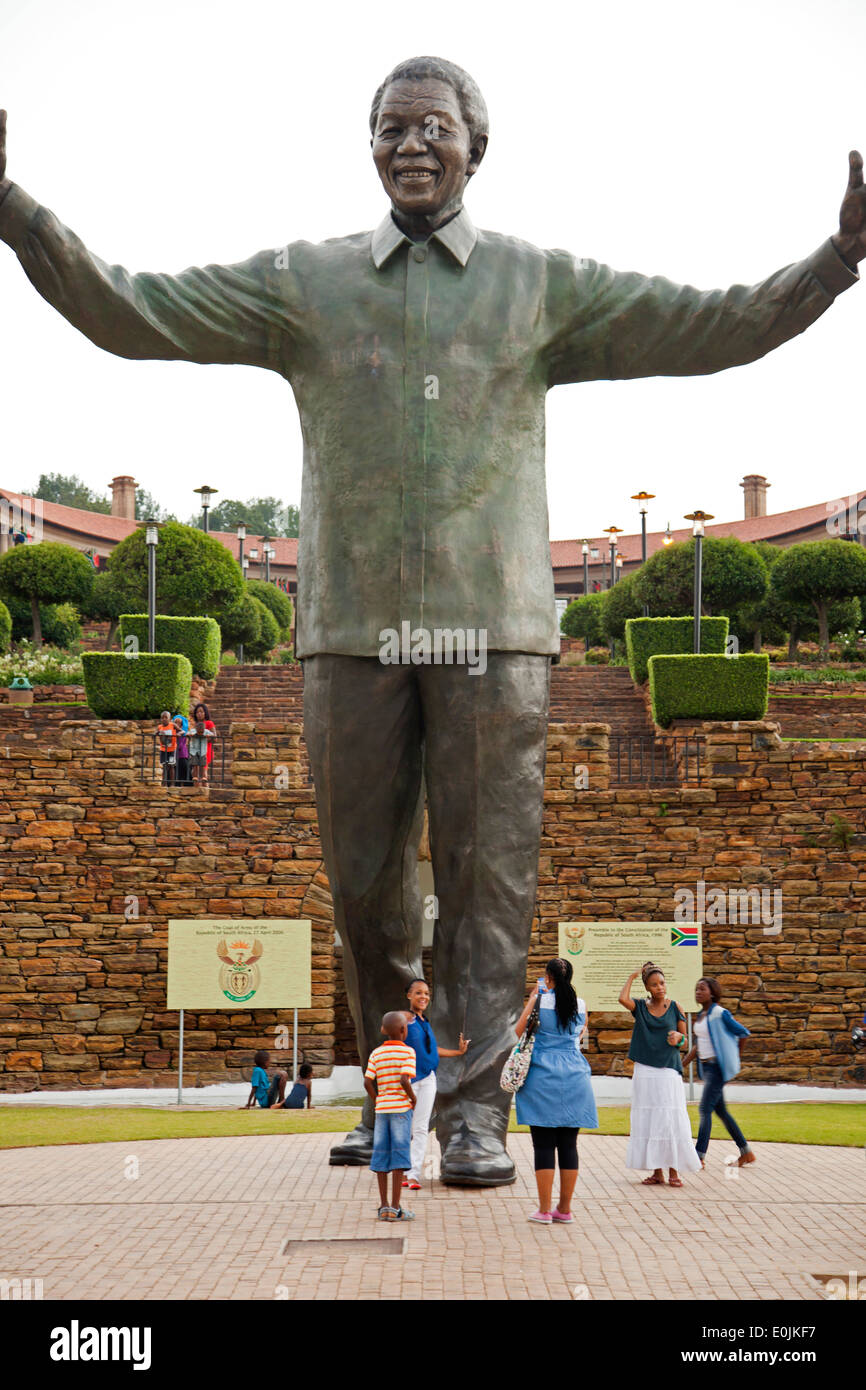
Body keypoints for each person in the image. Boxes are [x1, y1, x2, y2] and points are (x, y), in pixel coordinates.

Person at [2, 78, 864, 1186]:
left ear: (476, 147)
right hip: (351, 631)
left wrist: (833, 261)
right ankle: (388, 1088)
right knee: (363, 887)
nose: (411, 145)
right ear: (365, 146)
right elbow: (130, 308)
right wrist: (20, 212)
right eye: (390, 128)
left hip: (491, 631)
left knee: (486, 884)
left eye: (434, 128)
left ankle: (472, 1115)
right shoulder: (301, 282)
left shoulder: (538, 282)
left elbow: (711, 324)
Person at [514, 957, 598, 1223]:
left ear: (547, 978)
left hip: (542, 1075)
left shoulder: (540, 1002)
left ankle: (544, 1210)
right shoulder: (581, 1004)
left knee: (543, 1144)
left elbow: (518, 1032)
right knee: (569, 1144)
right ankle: (564, 1209)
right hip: (575, 1075)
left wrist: (533, 998)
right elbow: (579, 1033)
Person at [619, 961, 701, 1187]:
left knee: (669, 1119)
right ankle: (657, 1172)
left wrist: (678, 1038)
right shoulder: (641, 1008)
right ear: (647, 987)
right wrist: (632, 977)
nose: (659, 988)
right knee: (649, 1119)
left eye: (662, 983)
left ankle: (674, 1172)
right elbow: (622, 999)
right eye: (654, 984)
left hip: (667, 1070)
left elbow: (685, 1042)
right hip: (645, 1071)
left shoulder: (676, 1007)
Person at [402, 978, 469, 1190]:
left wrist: (458, 1052)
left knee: (421, 1127)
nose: (424, 997)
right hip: (408, 1080)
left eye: (427, 994)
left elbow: (432, 1050)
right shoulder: (406, 1018)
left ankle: (412, 1174)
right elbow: (388, 1028)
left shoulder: (424, 1022)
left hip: (428, 1079)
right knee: (403, 1126)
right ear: (409, 996)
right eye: (419, 993)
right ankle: (400, 1171)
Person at [682, 977, 754, 1169]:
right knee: (721, 1111)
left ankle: (699, 1156)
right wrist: (682, 1064)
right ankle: (746, 1152)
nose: (698, 992)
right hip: (706, 1068)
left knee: (705, 1109)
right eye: (696, 989)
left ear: (712, 993)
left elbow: (743, 1033)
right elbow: (699, 1045)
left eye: (702, 989)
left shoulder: (720, 1014)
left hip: (717, 1068)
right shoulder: (701, 1015)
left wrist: (734, 1057)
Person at [364, 1011, 417, 1221]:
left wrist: (378, 1099)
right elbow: (405, 1079)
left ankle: (383, 1206)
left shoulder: (376, 1053)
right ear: (404, 1030)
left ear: (383, 1030)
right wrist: (413, 1098)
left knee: (381, 1156)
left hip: (382, 1111)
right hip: (401, 1110)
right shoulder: (408, 1053)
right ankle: (396, 1208)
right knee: (399, 1157)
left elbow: (367, 1082)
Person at [190, 702, 216, 785]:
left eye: (201, 712)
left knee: (203, 769)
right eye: (197, 712)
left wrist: (204, 739)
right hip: (196, 748)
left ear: (205, 713)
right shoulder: (196, 725)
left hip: (206, 748)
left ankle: (204, 788)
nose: (199, 714)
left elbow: (214, 737)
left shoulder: (209, 723)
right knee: (195, 770)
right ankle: (196, 789)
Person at [154, 711, 177, 787]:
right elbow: (155, 733)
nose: (164, 719)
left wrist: (179, 734)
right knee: (164, 766)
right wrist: (156, 733)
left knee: (171, 766)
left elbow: (181, 730)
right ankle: (164, 783)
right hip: (163, 750)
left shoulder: (172, 725)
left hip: (172, 750)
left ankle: (172, 784)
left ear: (169, 719)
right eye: (162, 717)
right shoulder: (160, 727)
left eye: (166, 717)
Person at [173, 714, 189, 787]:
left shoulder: (183, 733)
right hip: (175, 755)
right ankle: (177, 784)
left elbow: (182, 744)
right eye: (176, 722)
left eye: (179, 723)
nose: (177, 724)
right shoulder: (173, 733)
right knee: (176, 771)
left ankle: (187, 785)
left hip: (182, 755)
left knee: (184, 769)